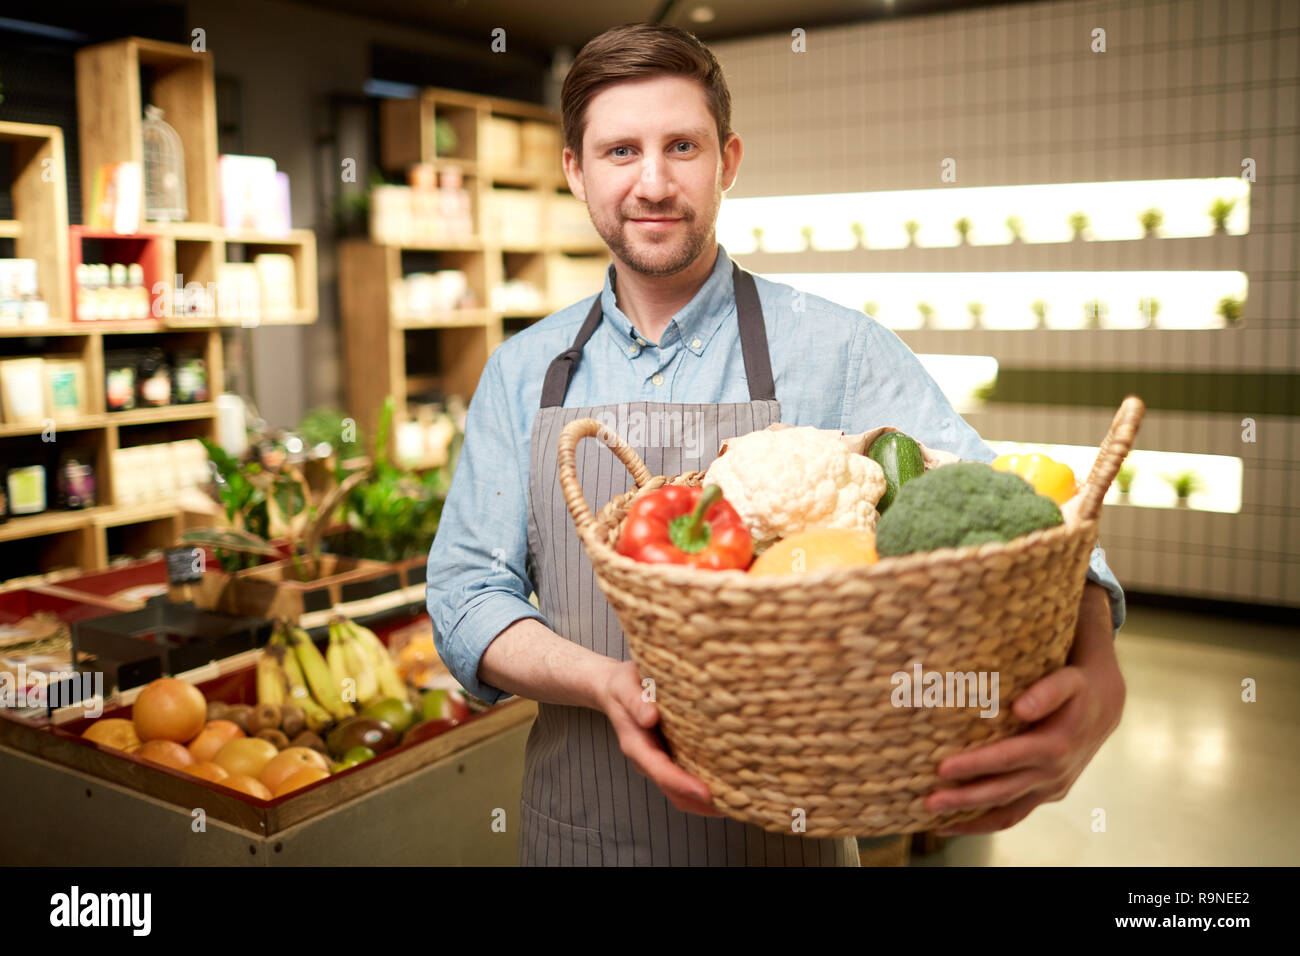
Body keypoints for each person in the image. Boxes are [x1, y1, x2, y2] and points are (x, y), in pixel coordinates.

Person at [426, 21, 1128, 867]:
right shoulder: (520, 371)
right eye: (619, 152)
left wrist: (1098, 671)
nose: (653, 182)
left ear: (726, 161)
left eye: (681, 146)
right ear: (575, 170)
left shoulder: (838, 348)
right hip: (583, 832)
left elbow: (1016, 518)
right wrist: (610, 684)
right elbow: (466, 594)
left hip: (791, 840)